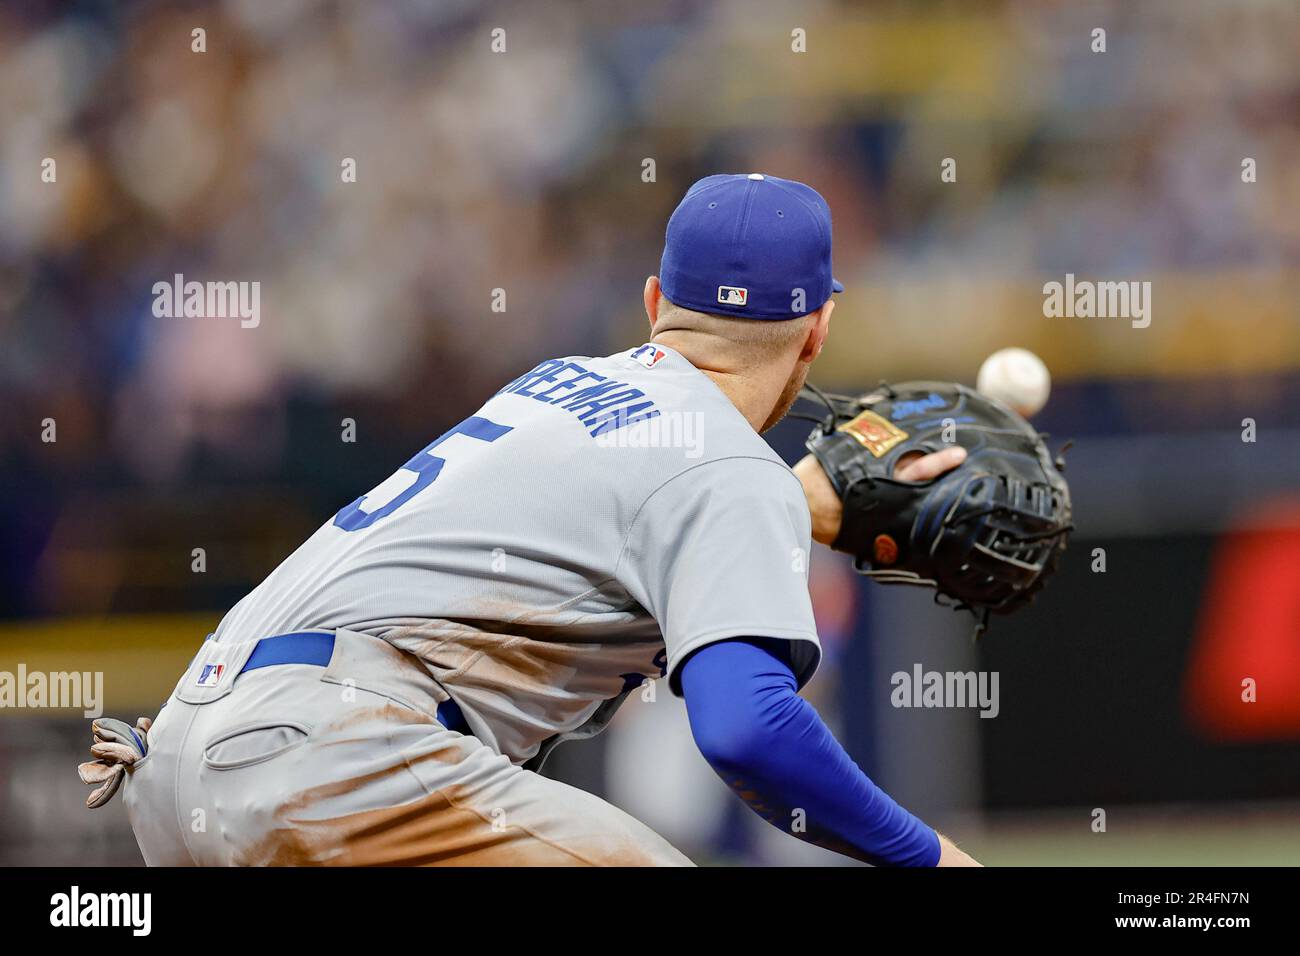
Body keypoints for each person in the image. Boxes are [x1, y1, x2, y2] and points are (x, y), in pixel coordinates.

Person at [85, 173, 978, 866]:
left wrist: (796, 505)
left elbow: (640, 513)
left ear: (655, 303)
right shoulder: (731, 471)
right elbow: (750, 730)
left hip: (180, 756)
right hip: (332, 756)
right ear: (818, 328)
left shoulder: (556, 385)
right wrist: (929, 857)